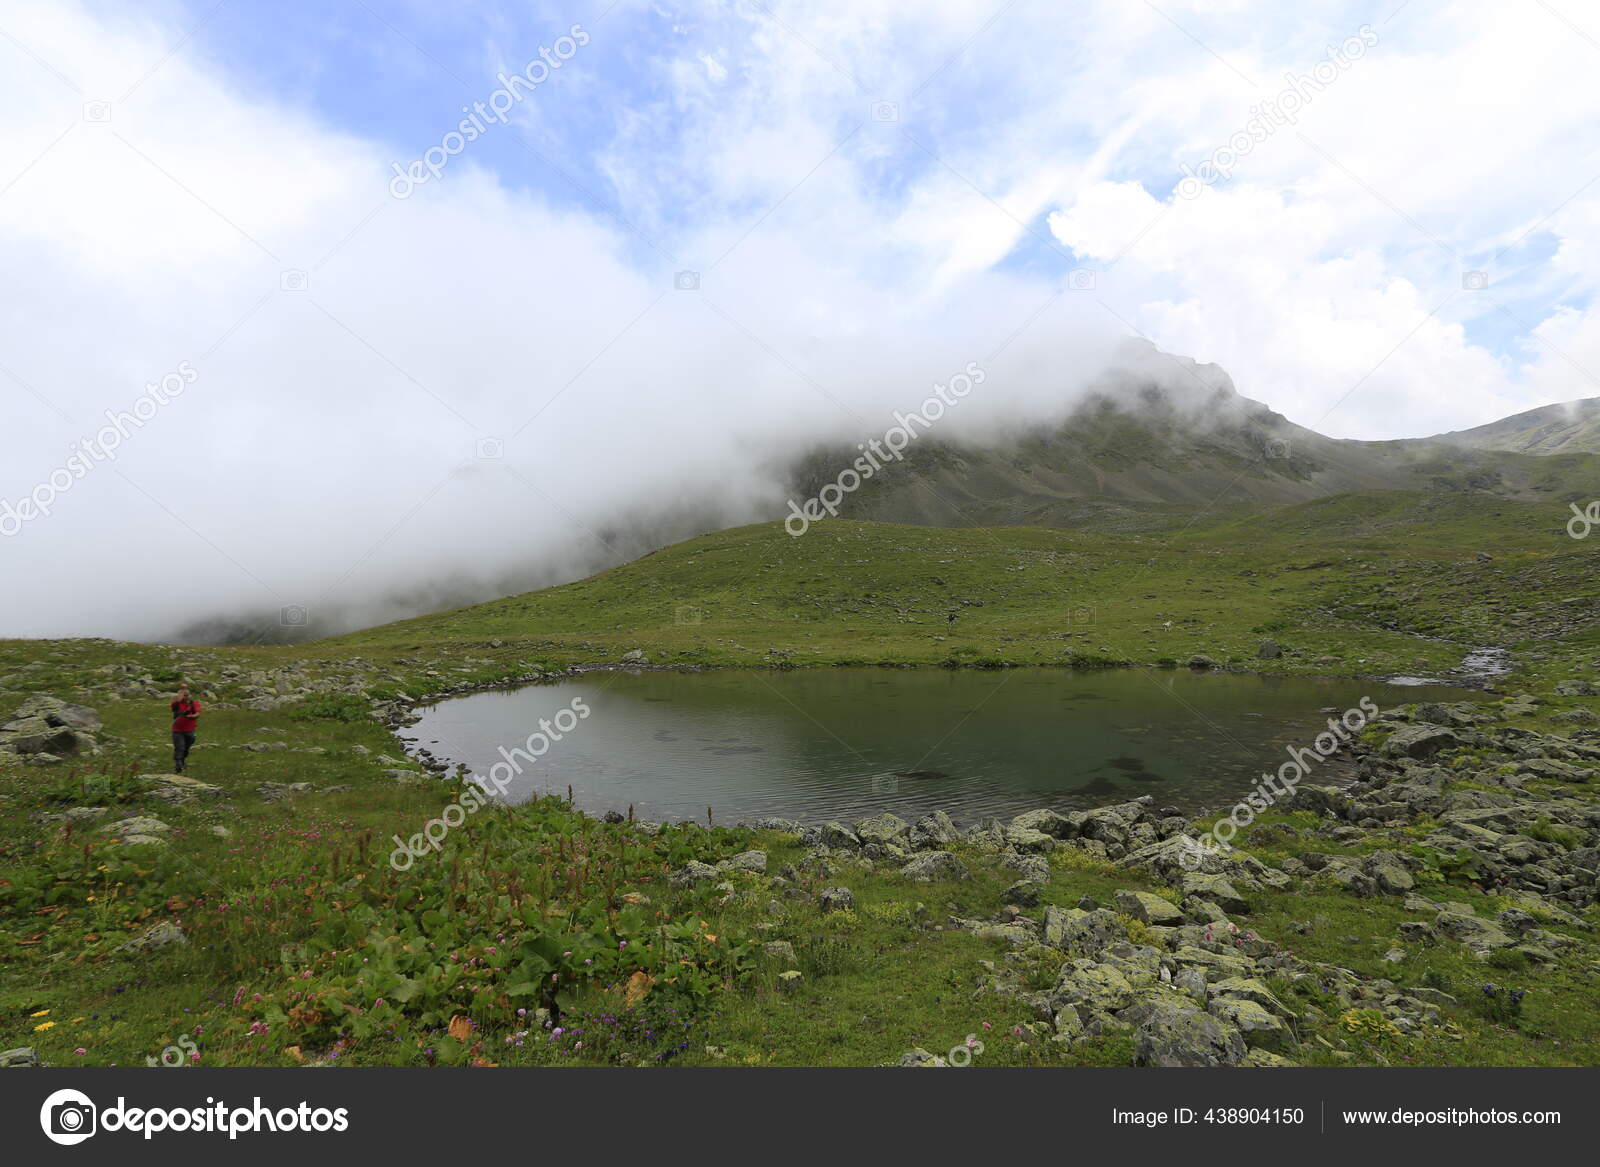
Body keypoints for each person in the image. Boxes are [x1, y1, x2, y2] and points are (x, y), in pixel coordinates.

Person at [170, 685, 202, 773]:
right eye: (182, 695)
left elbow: (197, 714)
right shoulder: (175, 704)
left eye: (186, 695)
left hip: (190, 730)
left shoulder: (193, 703)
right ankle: (178, 764)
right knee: (180, 747)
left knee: (186, 748)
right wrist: (179, 698)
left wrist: (191, 716)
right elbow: (174, 706)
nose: (184, 697)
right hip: (177, 730)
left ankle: (182, 760)